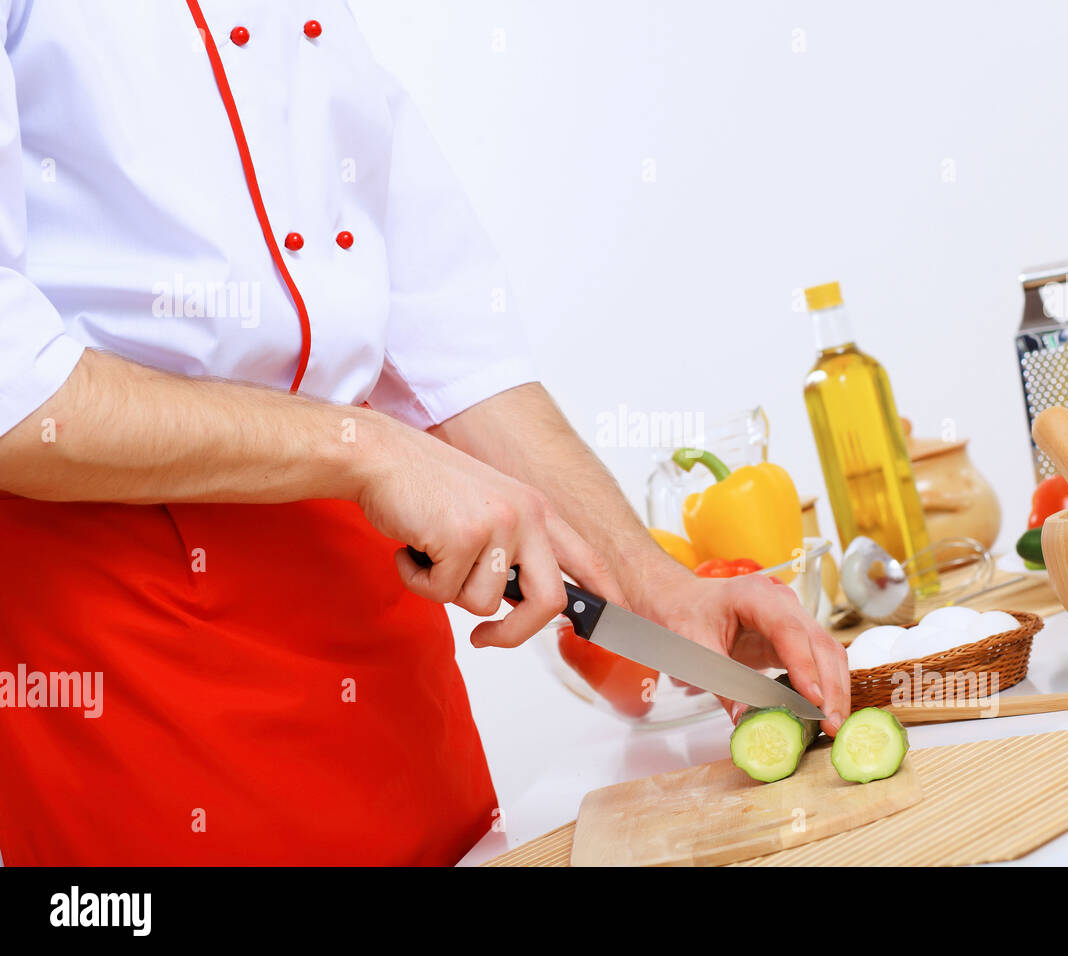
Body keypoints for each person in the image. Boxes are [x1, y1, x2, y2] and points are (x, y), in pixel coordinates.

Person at [0, 1, 848, 864]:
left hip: (367, 625)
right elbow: (13, 390)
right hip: (124, 634)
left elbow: (443, 339)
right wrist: (367, 450)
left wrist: (655, 588)